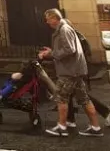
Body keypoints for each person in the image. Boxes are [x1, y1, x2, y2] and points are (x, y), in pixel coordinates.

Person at [39, 9, 102, 137]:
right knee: (84, 99)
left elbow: (69, 50)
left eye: (48, 19)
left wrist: (51, 54)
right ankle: (96, 127)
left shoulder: (64, 30)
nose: (47, 22)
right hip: (75, 70)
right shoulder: (64, 29)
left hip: (69, 71)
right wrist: (52, 51)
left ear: (55, 18)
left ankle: (62, 127)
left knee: (61, 97)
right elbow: (68, 48)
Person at [63, 18, 110, 129]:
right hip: (79, 69)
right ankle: (70, 119)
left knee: (81, 96)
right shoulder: (78, 35)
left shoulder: (71, 37)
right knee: (69, 94)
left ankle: (105, 113)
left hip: (75, 71)